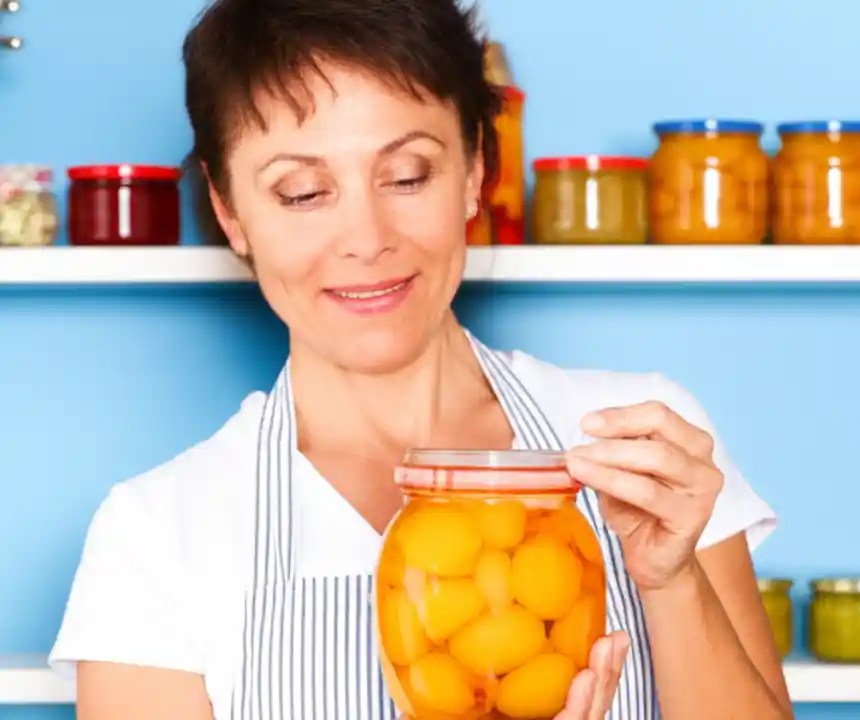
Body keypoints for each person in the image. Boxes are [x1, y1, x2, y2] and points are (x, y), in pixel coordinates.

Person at [47, 1, 791, 718]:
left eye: (406, 176)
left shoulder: (637, 449)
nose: (366, 237)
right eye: (303, 192)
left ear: (474, 169)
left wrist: (672, 582)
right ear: (231, 211)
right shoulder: (156, 533)